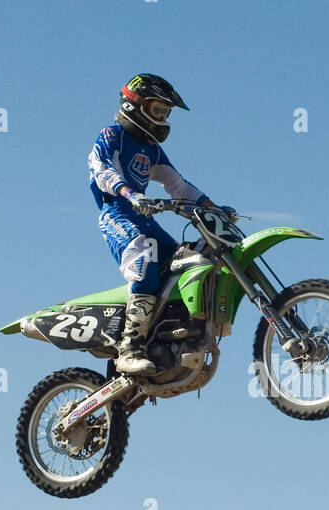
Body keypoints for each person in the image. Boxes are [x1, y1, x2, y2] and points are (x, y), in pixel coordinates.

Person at [87, 73, 233, 375]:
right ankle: (130, 348)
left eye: (166, 113)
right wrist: (130, 193)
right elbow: (102, 169)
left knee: (189, 258)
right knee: (144, 259)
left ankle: (174, 332)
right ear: (135, 104)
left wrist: (213, 209)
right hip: (117, 214)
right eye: (158, 110)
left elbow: (179, 186)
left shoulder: (153, 150)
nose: (163, 118)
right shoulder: (113, 136)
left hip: (143, 217)